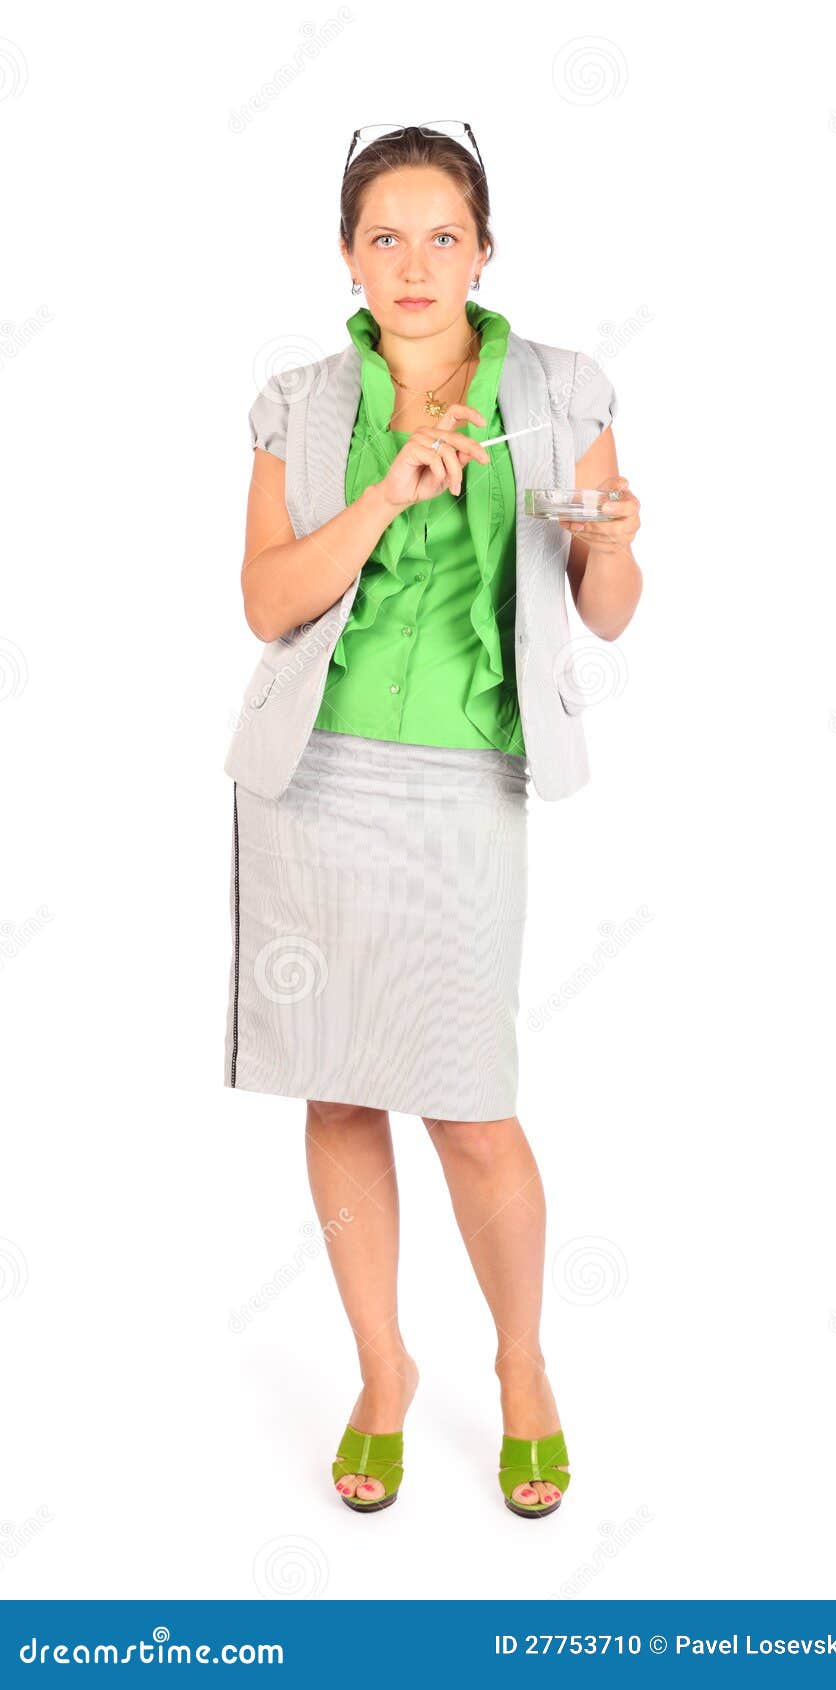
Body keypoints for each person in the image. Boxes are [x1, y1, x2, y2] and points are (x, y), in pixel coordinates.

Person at [224, 122, 642, 1517]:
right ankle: (384, 1369)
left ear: (483, 248)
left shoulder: (556, 386)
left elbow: (602, 607)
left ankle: (521, 1364)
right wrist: (390, 488)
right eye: (383, 236)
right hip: (314, 780)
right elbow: (270, 602)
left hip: (466, 781)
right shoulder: (296, 402)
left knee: (470, 1110)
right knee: (340, 1086)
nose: (413, 263)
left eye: (440, 234)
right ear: (347, 253)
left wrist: (615, 539)